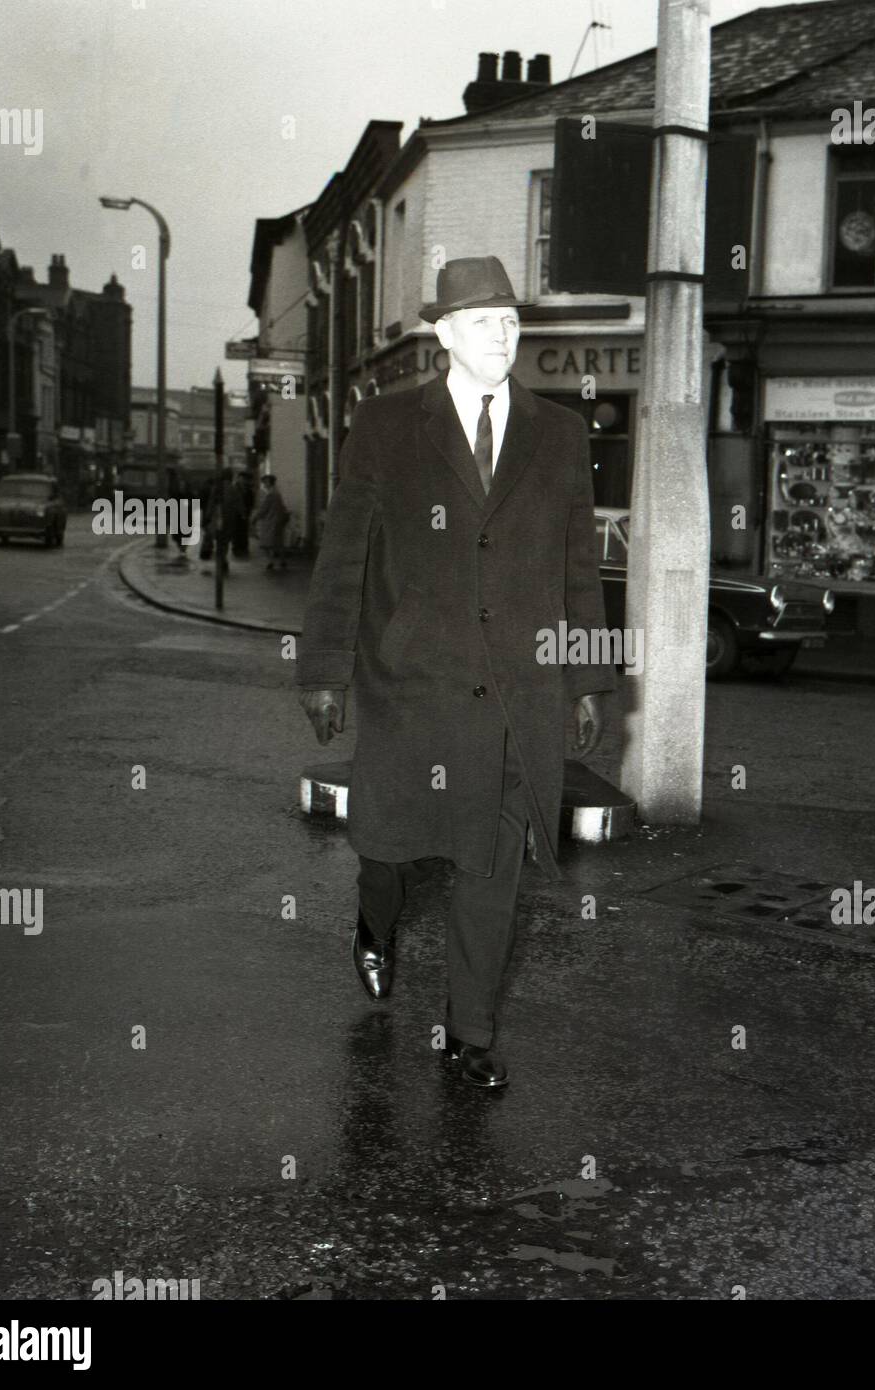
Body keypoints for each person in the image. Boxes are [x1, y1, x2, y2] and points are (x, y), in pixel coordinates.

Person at [296, 256, 615, 1089]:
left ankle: (470, 1037)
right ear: (442, 335)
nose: (503, 335)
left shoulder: (559, 433)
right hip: (409, 685)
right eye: (482, 322)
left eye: (511, 321)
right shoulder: (388, 424)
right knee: (388, 849)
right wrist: (323, 669)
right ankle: (375, 921)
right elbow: (344, 558)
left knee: (489, 868)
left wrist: (584, 678)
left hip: (515, 695)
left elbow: (580, 565)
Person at [252, 473, 289, 570]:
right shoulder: (277, 493)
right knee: (278, 542)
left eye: (265, 482)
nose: (264, 484)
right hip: (278, 521)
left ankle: (270, 561)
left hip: (270, 521)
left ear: (269, 483)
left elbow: (263, 509)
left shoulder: (270, 494)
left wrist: (255, 518)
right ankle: (282, 560)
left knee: (267, 543)